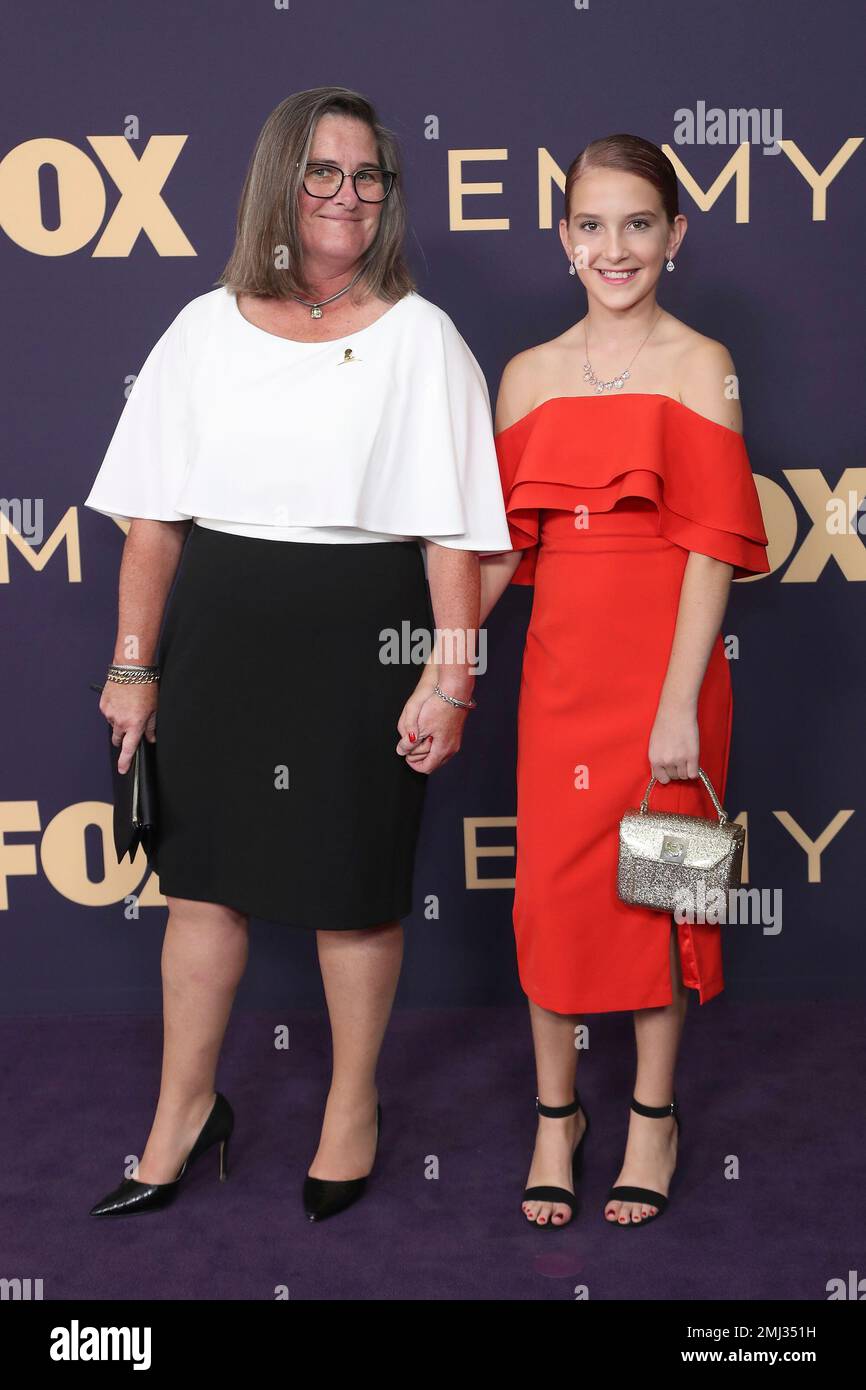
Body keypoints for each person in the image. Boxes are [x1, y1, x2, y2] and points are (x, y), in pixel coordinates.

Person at [84, 86, 511, 1221]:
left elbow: (455, 536)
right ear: (280, 182)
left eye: (369, 177)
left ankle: (350, 1107)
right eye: (323, 173)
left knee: (353, 890)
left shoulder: (421, 338)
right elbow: (152, 523)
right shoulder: (201, 327)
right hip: (223, 634)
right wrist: (135, 662)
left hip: (365, 640)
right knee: (203, 889)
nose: (348, 196)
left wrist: (448, 668)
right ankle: (182, 1114)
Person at [476, 133, 770, 1230]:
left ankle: (652, 1112)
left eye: (637, 224)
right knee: (549, 900)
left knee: (665, 892)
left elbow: (707, 545)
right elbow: (501, 550)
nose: (614, 247)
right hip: (560, 675)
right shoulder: (526, 375)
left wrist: (676, 704)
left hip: (670, 673)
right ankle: (557, 1115)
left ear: (673, 236)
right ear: (562, 239)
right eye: (591, 225)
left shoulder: (701, 363)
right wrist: (438, 646)